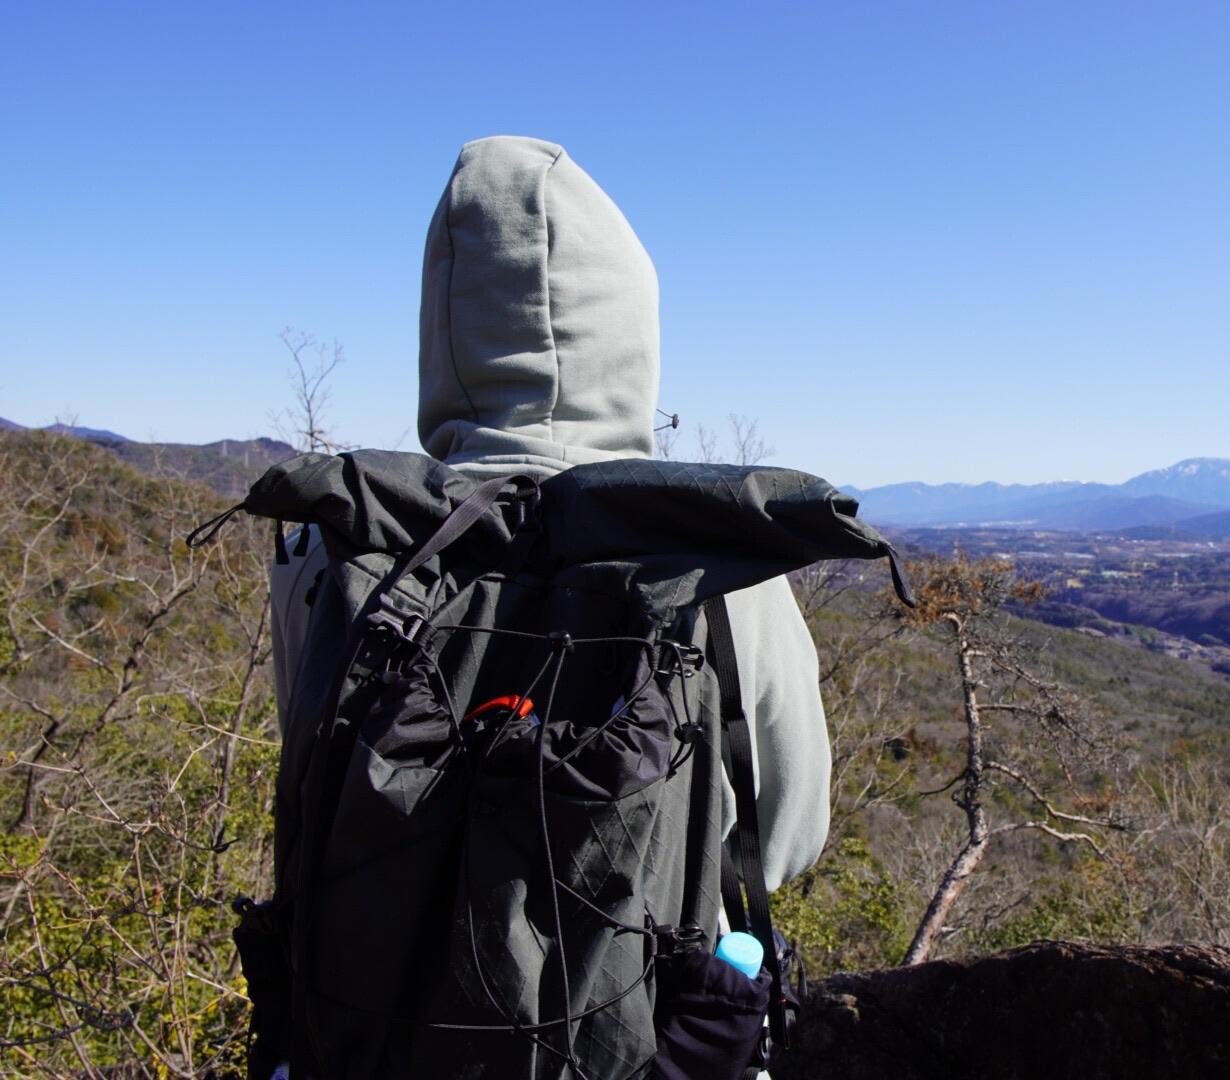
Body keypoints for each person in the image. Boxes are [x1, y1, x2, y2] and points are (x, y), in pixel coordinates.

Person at [269, 134, 832, 894]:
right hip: (657, 1001)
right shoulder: (718, 560)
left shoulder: (333, 541)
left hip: (366, 1001)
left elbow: (317, 767)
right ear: (631, 339)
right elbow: (787, 837)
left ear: (443, 326)